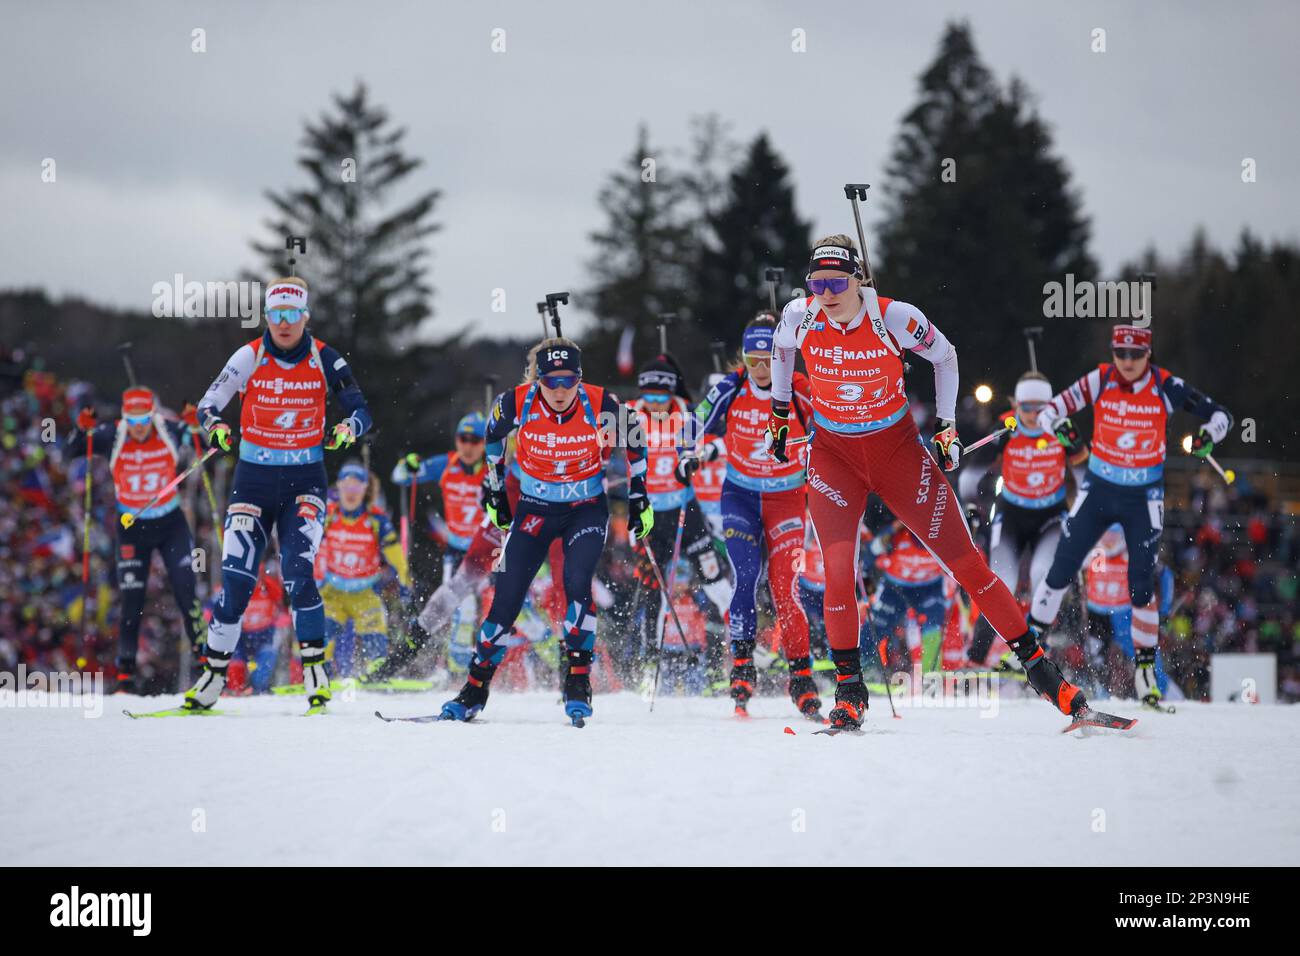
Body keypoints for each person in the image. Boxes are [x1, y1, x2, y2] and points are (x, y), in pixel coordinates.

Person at [767, 235, 1087, 730]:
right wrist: (780, 412)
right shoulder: (799, 315)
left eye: (836, 281)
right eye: (817, 282)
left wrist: (946, 426)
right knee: (836, 571)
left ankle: (1047, 676)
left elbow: (946, 356)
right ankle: (850, 691)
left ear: (858, 279)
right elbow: (781, 351)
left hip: (897, 453)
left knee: (968, 565)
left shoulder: (892, 317)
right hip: (834, 457)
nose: (826, 292)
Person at [182, 275, 372, 714]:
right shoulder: (249, 355)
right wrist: (217, 429)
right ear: (266, 316)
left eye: (292, 314)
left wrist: (347, 429)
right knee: (235, 582)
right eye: (275, 314)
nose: (284, 323)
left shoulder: (326, 358)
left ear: (305, 316)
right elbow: (209, 404)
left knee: (299, 574)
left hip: (305, 481)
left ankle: (314, 673)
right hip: (253, 481)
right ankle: (212, 677)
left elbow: (362, 408)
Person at [440, 337, 649, 724]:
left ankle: (577, 682)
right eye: (550, 381)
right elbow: (493, 437)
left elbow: (635, 438)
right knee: (506, 596)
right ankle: (474, 688)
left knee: (575, 582)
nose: (559, 390)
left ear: (579, 379)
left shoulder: (600, 404)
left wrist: (639, 497)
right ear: (538, 380)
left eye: (568, 381)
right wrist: (495, 489)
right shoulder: (516, 401)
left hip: (585, 508)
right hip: (535, 508)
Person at [1028, 324, 1232, 710]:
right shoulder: (1101, 378)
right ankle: (1027, 648)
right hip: (1099, 490)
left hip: (1143, 496)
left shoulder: (1165, 385)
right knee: (1063, 565)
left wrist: (1208, 436)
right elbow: (1050, 411)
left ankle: (1144, 676)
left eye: (1134, 355)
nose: (1126, 362)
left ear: (1148, 355)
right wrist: (1061, 427)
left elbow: (1221, 415)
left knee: (1141, 583)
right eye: (1120, 353)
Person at [690, 316, 821, 719]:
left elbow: (832, 421)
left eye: (768, 359)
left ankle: (801, 678)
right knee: (745, 575)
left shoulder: (799, 389)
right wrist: (692, 452)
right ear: (743, 359)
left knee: (786, 586)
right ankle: (743, 665)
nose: (762, 369)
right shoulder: (730, 388)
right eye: (753, 360)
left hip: (787, 501)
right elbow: (693, 422)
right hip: (741, 498)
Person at [67, 387, 207, 692]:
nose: (139, 426)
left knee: (186, 592)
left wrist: (196, 424)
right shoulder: (112, 435)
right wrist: (82, 430)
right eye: (133, 419)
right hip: (132, 528)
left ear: (152, 414)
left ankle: (205, 662)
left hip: (171, 524)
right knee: (132, 601)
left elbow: (206, 444)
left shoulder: (168, 429)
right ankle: (125, 677)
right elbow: (72, 450)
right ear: (124, 417)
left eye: (144, 418)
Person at [963, 371, 1086, 667]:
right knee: (999, 584)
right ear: (1016, 404)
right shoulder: (1008, 427)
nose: (1032, 415)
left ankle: (1032, 655)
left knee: (1045, 574)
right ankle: (976, 659)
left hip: (1050, 517)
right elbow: (970, 475)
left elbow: (1086, 478)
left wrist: (1078, 448)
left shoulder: (1061, 428)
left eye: (1039, 408)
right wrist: (970, 507)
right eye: (1025, 407)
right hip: (1012, 515)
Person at [629, 355, 733, 675]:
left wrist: (692, 460)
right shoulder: (629, 415)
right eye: (651, 397)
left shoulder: (687, 413)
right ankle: (649, 660)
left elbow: (708, 441)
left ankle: (740, 646)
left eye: (663, 397)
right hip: (647, 513)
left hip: (685, 509)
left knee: (713, 576)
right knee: (654, 586)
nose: (657, 404)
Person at [318, 460, 410, 678]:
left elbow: (395, 554)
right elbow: (305, 546)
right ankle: (319, 676)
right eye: (346, 485)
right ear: (338, 487)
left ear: (365, 489)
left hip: (365, 592)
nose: (351, 492)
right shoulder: (328, 515)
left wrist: (405, 581)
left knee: (375, 634)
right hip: (333, 592)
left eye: (357, 486)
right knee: (321, 635)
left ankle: (375, 674)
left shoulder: (376, 518)